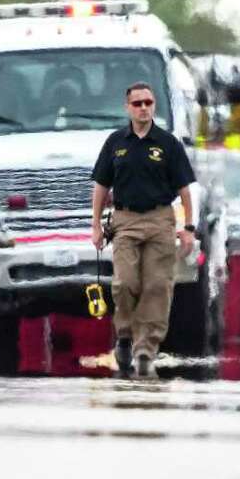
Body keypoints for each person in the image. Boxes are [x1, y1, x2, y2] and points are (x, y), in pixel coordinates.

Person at [90, 81, 196, 380]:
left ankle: (146, 349)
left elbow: (185, 189)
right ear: (128, 108)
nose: (144, 108)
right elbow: (101, 185)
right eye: (137, 103)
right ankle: (124, 336)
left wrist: (188, 227)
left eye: (148, 102)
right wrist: (96, 225)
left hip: (161, 221)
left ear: (154, 106)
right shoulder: (115, 143)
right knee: (124, 283)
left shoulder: (167, 143)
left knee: (157, 285)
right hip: (124, 221)